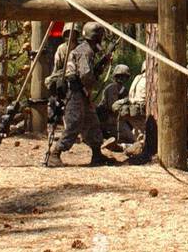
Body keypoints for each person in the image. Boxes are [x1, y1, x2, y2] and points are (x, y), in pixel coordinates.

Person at [45, 22, 109, 167]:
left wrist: (101, 65)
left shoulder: (86, 49)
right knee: (74, 123)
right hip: (74, 92)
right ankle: (55, 154)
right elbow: (86, 75)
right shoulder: (85, 51)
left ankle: (97, 154)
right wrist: (95, 79)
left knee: (92, 121)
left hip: (80, 92)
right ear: (97, 38)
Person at [99, 64, 133, 150]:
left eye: (124, 76)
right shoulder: (113, 88)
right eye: (121, 76)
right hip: (109, 120)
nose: (122, 78)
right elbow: (113, 107)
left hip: (115, 119)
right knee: (131, 138)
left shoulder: (121, 88)